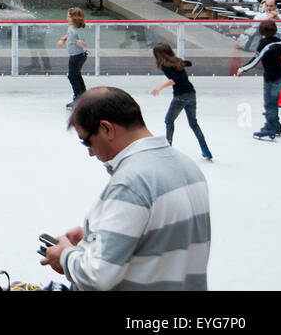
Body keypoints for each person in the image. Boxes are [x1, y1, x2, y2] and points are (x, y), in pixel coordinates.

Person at [41, 87, 210, 290]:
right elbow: (160, 245)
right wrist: (95, 238)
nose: (91, 153)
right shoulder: (188, 168)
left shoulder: (130, 183)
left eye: (87, 142)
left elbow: (97, 276)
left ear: (106, 129)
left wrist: (66, 257)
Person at [151, 43, 212, 161]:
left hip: (180, 96)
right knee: (193, 123)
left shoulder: (165, 65)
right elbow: (189, 63)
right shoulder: (177, 61)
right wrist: (182, 63)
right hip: (191, 94)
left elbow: (175, 79)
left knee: (169, 120)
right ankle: (206, 150)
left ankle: (168, 147)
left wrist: (159, 87)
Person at [235, 19, 281, 140]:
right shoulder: (280, 43)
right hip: (280, 76)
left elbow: (256, 60)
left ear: (261, 31)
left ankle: (270, 128)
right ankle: (275, 126)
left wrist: (242, 69)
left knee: (269, 104)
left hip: (271, 78)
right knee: (273, 102)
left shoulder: (264, 44)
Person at [57, 6, 89, 108]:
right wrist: (63, 39)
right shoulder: (71, 27)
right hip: (75, 55)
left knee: (72, 76)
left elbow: (85, 44)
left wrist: (81, 44)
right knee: (76, 75)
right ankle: (83, 97)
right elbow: (69, 35)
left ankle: (78, 98)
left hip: (78, 56)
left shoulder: (79, 30)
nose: (67, 19)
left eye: (69, 17)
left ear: (75, 18)